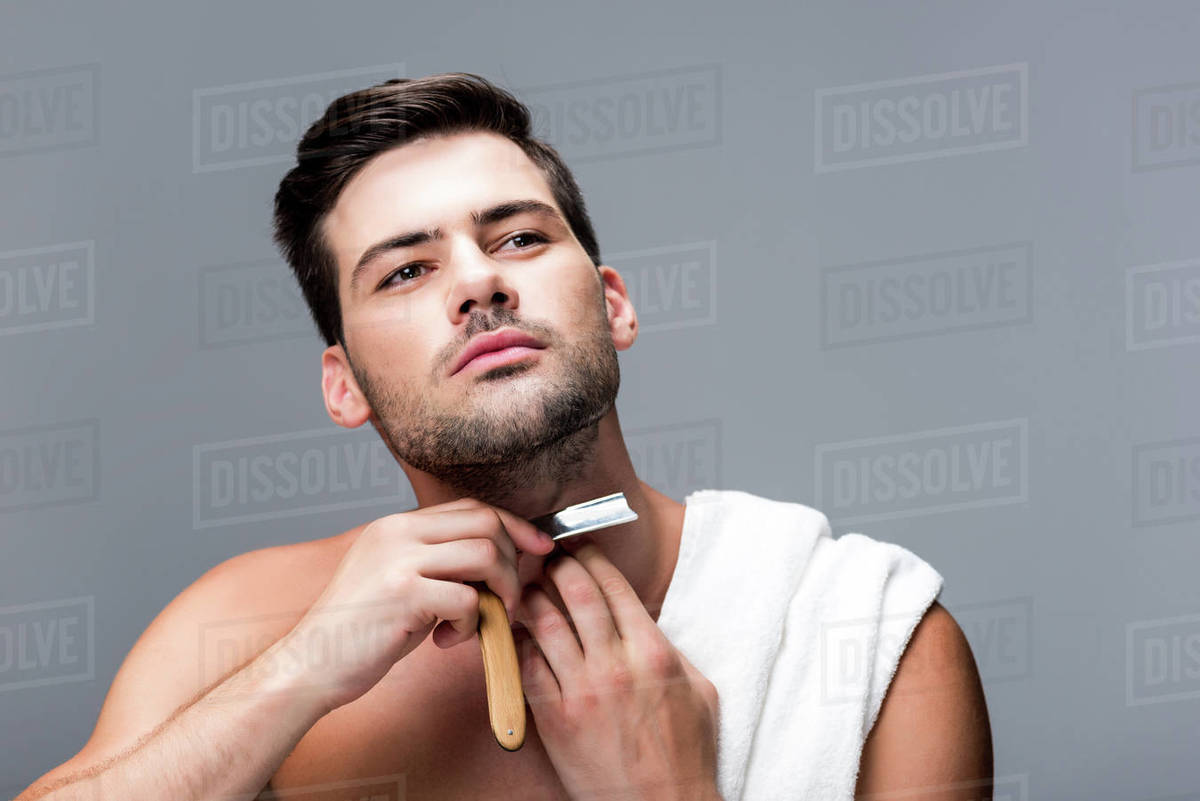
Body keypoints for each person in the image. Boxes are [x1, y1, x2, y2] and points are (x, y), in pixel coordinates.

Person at [16, 72, 992, 801]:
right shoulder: (243, 630)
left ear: (614, 305)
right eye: (405, 271)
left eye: (519, 238)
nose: (480, 282)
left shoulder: (862, 639)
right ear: (344, 385)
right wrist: (303, 670)